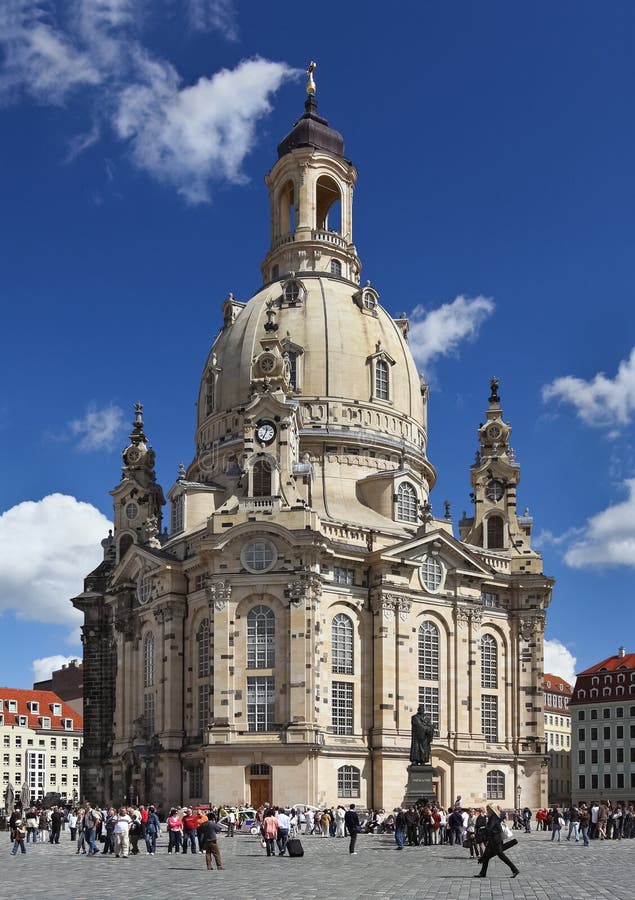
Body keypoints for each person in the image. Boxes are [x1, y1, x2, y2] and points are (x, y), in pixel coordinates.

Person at [474, 804, 519, 879]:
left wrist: (482, 831)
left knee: (501, 855)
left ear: (492, 809)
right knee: (487, 855)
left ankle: (515, 870)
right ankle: (482, 873)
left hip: (495, 840)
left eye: (488, 809)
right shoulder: (493, 816)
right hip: (493, 839)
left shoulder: (494, 817)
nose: (487, 810)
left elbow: (490, 828)